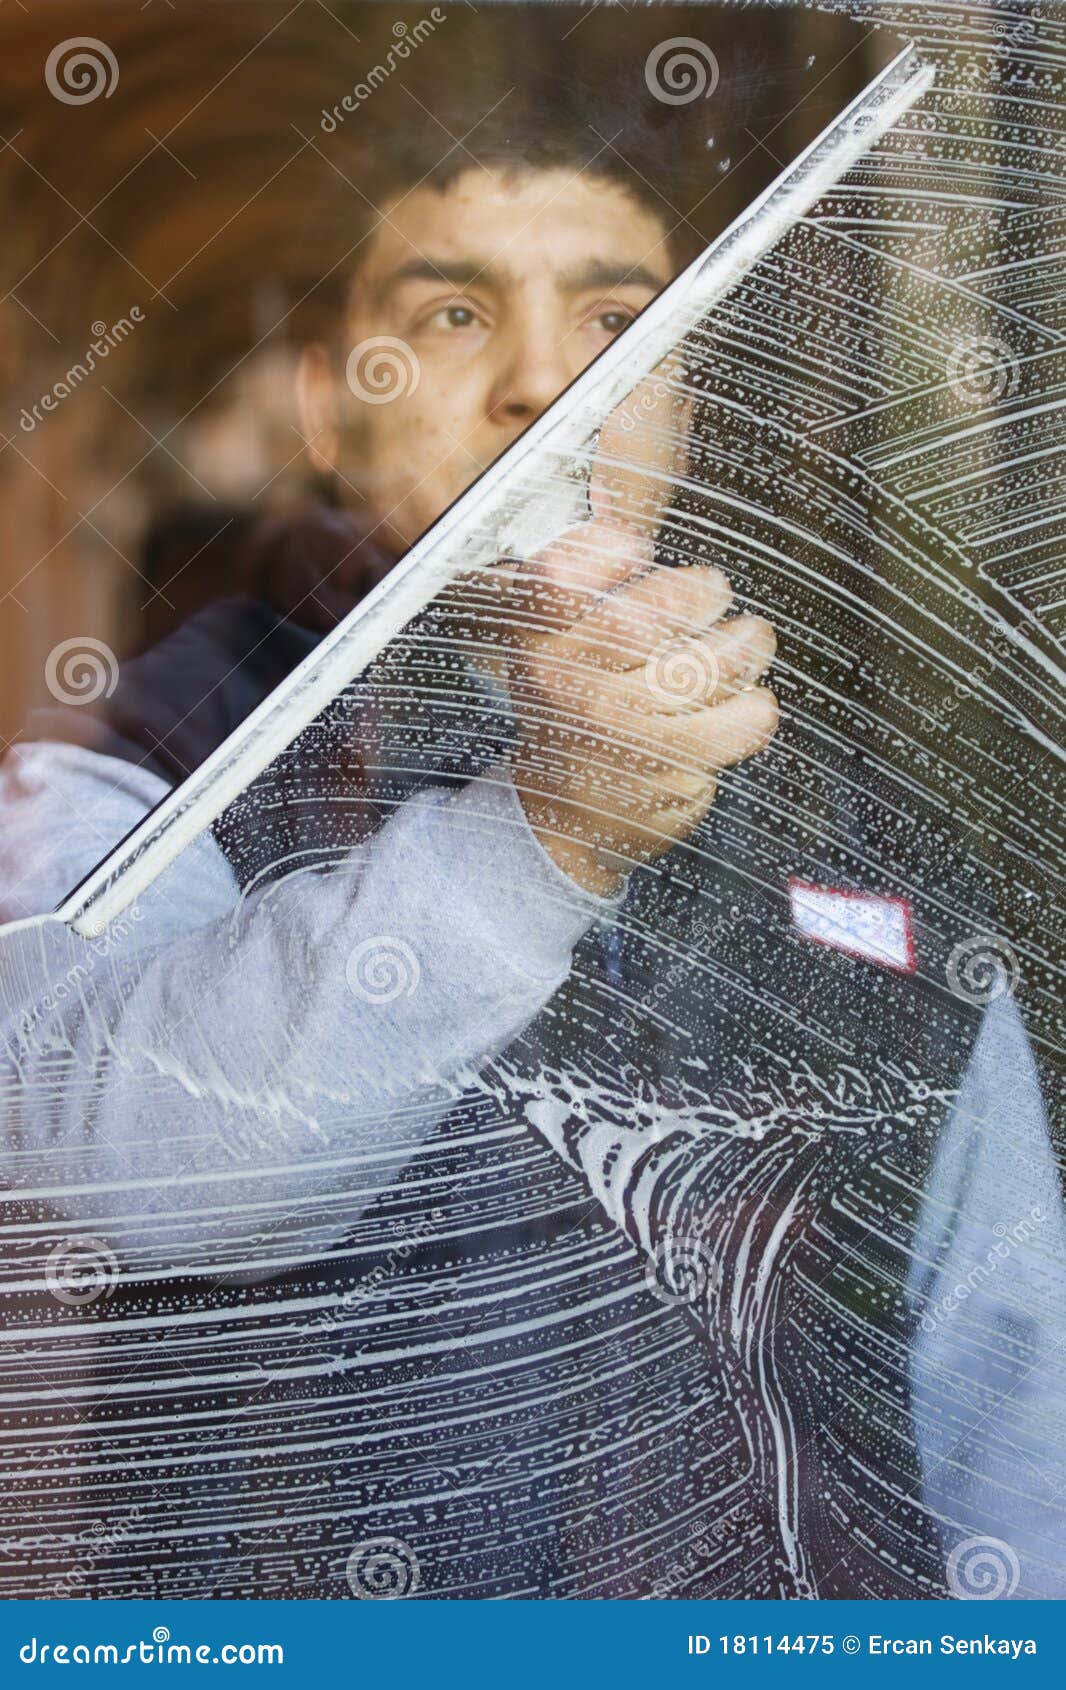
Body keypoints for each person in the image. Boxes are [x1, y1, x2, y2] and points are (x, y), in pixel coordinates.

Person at [1, 99, 1062, 1603]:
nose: (547, 385)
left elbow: (1009, 1379)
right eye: (449, 312)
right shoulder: (145, 764)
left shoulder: (872, 844)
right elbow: (126, 1171)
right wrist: (545, 830)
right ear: (328, 406)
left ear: (685, 401)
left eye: (618, 320)